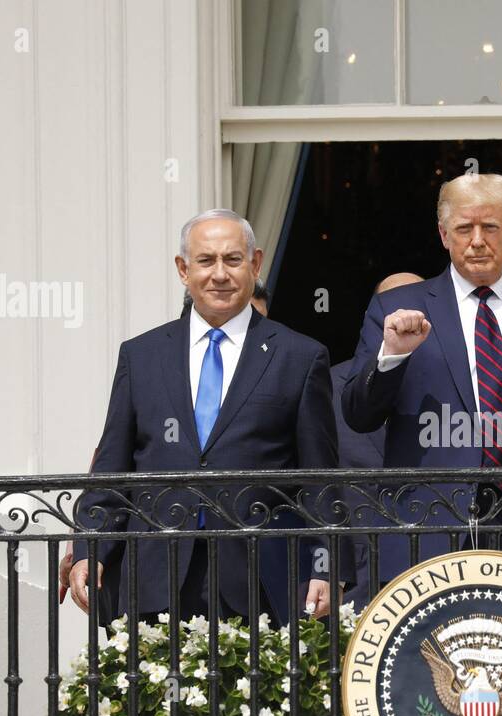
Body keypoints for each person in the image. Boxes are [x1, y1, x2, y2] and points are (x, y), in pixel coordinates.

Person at [68, 209, 338, 629]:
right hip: (156, 573)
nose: (219, 274)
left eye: (232, 260)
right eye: (205, 260)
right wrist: (90, 550)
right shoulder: (141, 355)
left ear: (255, 264)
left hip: (258, 577)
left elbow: (320, 478)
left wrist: (325, 564)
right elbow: (112, 469)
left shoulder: (300, 357)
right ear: (183, 269)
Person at [341, 174, 502, 584]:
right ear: (444, 234)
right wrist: (392, 355)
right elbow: (359, 415)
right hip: (422, 533)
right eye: (464, 228)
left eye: (491, 227)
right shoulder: (395, 308)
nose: (477, 240)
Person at [329, 273, 422, 609]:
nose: (404, 317)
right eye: (394, 307)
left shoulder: (461, 390)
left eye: (417, 306)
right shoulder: (329, 386)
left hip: (433, 576)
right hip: (353, 584)